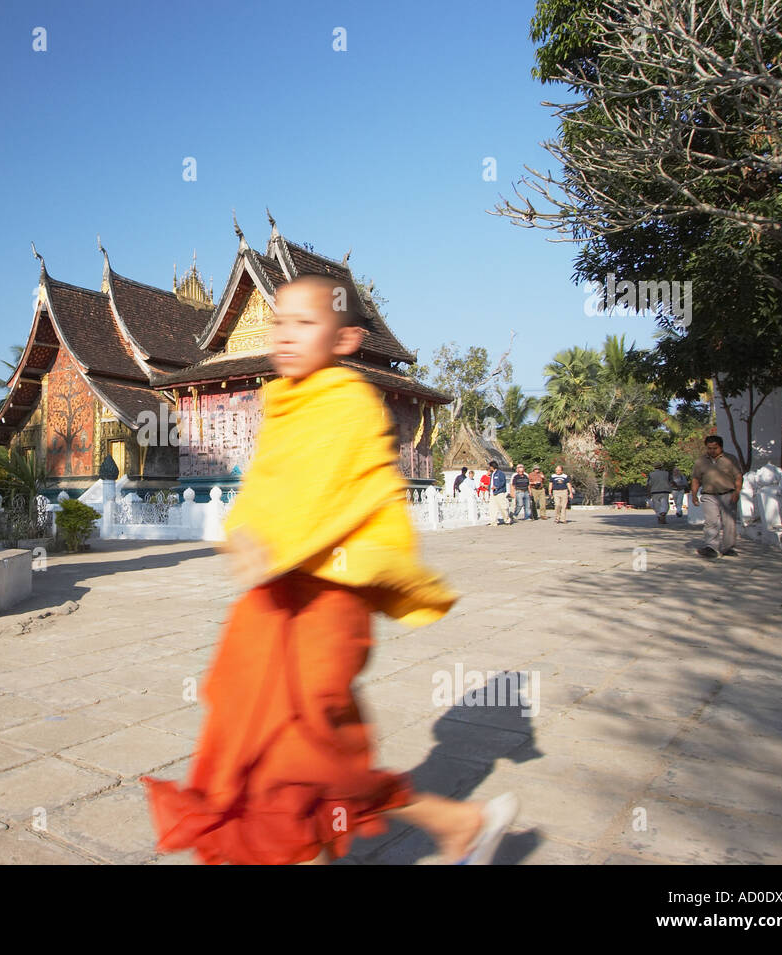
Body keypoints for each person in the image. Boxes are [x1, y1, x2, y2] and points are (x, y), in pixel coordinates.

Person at [141, 272, 518, 865]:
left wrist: (280, 540)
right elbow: (263, 492)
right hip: (272, 602)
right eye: (278, 323)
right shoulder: (284, 405)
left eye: (304, 323)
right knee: (264, 749)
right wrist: (245, 535)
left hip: (330, 600)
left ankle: (450, 824)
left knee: (307, 752)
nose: (285, 335)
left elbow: (328, 493)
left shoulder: (349, 404)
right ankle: (451, 825)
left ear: (343, 340)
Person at [691, 435, 742, 558]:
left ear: (721, 447)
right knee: (711, 522)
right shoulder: (700, 461)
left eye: (715, 448)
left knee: (729, 522)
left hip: (728, 494)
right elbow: (695, 479)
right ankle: (711, 547)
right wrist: (694, 495)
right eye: (709, 448)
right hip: (709, 495)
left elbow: (738, 476)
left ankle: (728, 547)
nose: (712, 451)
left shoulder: (730, 459)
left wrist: (737, 492)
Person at [487, 461, 510, 526]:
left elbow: (503, 482)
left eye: (490, 467)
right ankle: (493, 521)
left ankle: (507, 520)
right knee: (492, 508)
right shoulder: (492, 474)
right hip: (492, 493)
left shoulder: (500, 473)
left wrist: (496, 487)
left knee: (503, 507)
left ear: (492, 466)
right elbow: (491, 483)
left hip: (499, 492)